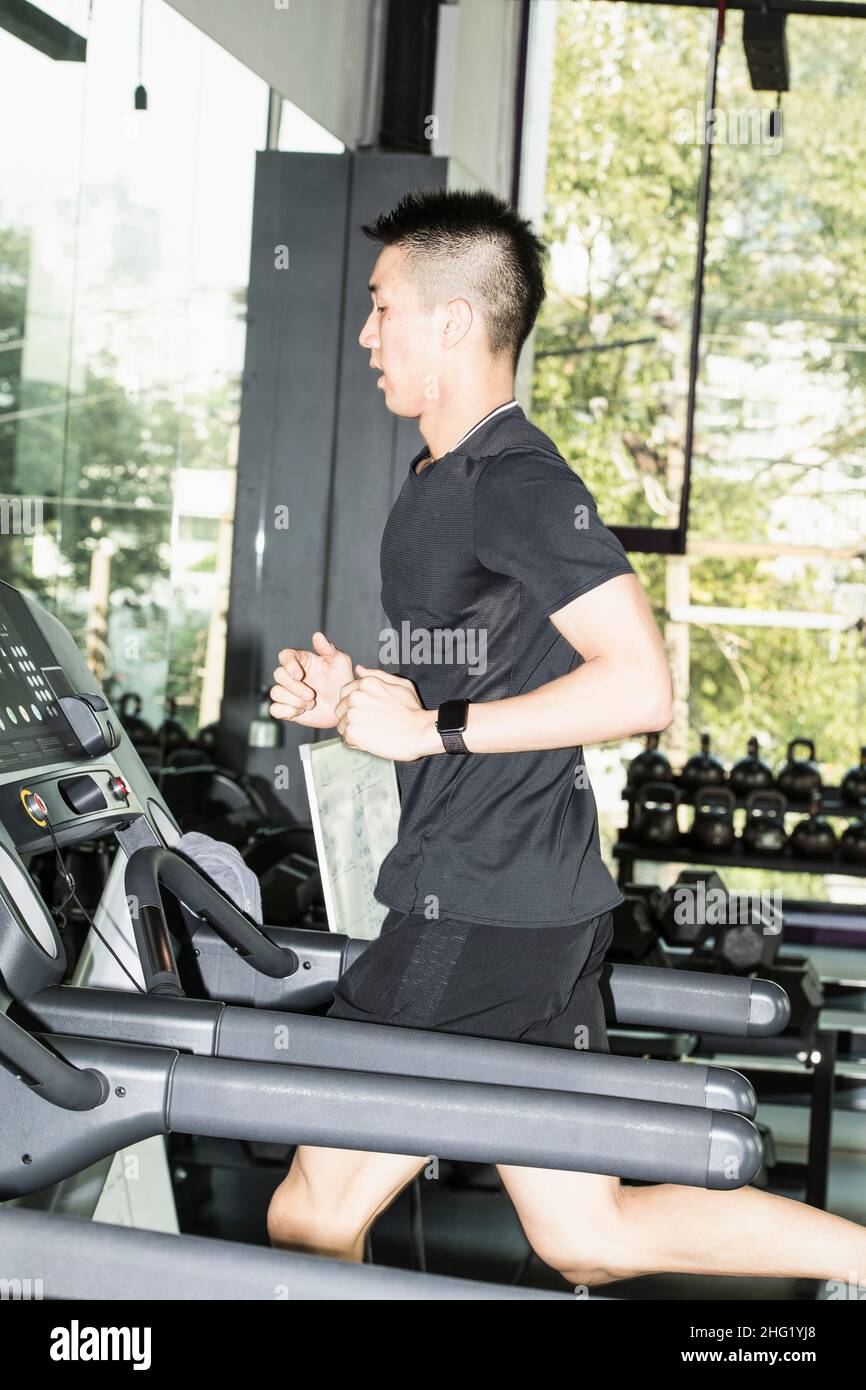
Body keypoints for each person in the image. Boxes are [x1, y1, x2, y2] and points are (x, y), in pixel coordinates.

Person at [266, 187, 866, 1290]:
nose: (364, 334)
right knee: (586, 1232)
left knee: (311, 1214)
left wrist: (432, 729)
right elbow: (488, 676)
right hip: (532, 907)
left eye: (381, 307)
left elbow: (639, 687)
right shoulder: (435, 481)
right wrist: (359, 691)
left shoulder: (517, 483)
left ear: (450, 323)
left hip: (479, 909)